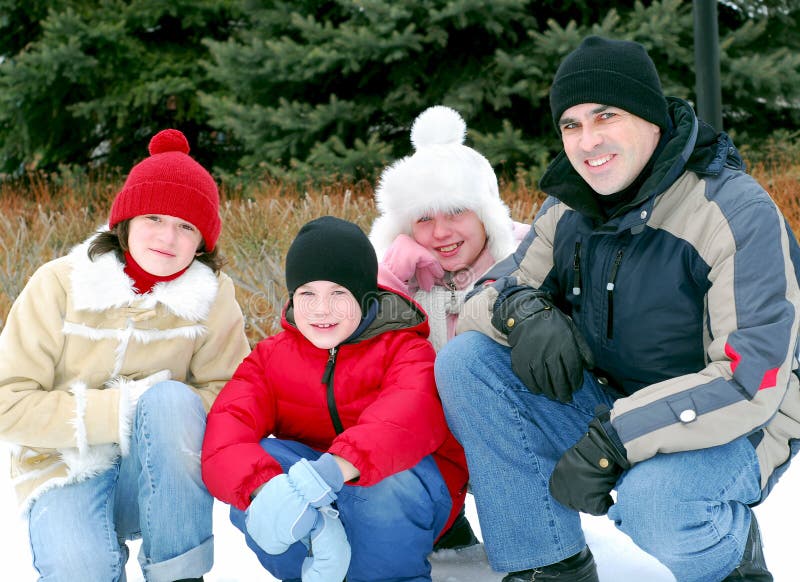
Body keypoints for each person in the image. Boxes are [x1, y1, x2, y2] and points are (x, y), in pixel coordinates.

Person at [434, 35, 800, 582]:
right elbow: (489, 290)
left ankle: (730, 557)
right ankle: (547, 564)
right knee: (467, 361)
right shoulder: (571, 206)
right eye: (572, 125)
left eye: (607, 116)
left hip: (736, 423)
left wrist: (616, 438)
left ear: (652, 119)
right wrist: (524, 313)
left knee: (658, 502)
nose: (588, 142)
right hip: (614, 403)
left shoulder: (734, 212)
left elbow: (752, 380)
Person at [0, 128, 251, 582]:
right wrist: (120, 409)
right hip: (64, 465)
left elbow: (234, 394)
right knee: (82, 569)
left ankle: (178, 574)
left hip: (159, 478)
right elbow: (7, 401)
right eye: (154, 217)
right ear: (126, 222)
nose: (167, 237)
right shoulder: (58, 284)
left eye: (186, 226)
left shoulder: (212, 297)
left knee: (173, 401)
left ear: (202, 242)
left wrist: (155, 410)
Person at [201, 216, 470, 582]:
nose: (321, 309)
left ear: (364, 294)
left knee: (385, 487)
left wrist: (328, 473)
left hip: (406, 489)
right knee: (253, 483)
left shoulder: (404, 347)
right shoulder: (271, 358)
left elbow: (405, 418)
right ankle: (317, 565)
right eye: (307, 293)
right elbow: (225, 434)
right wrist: (271, 491)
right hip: (319, 491)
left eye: (338, 294)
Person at [370, 104, 529, 353]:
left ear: (486, 217)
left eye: (455, 212)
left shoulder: (531, 267)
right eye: (424, 218)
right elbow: (361, 360)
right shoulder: (403, 282)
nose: (440, 232)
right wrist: (389, 276)